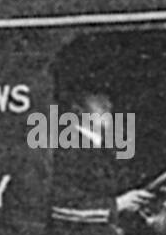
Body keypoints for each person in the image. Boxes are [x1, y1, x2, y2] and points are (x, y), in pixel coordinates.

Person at [50, 91, 154, 225]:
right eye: (96, 96)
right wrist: (117, 205)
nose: (107, 103)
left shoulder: (108, 150)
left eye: (108, 97)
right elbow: (63, 206)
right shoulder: (66, 150)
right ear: (77, 109)